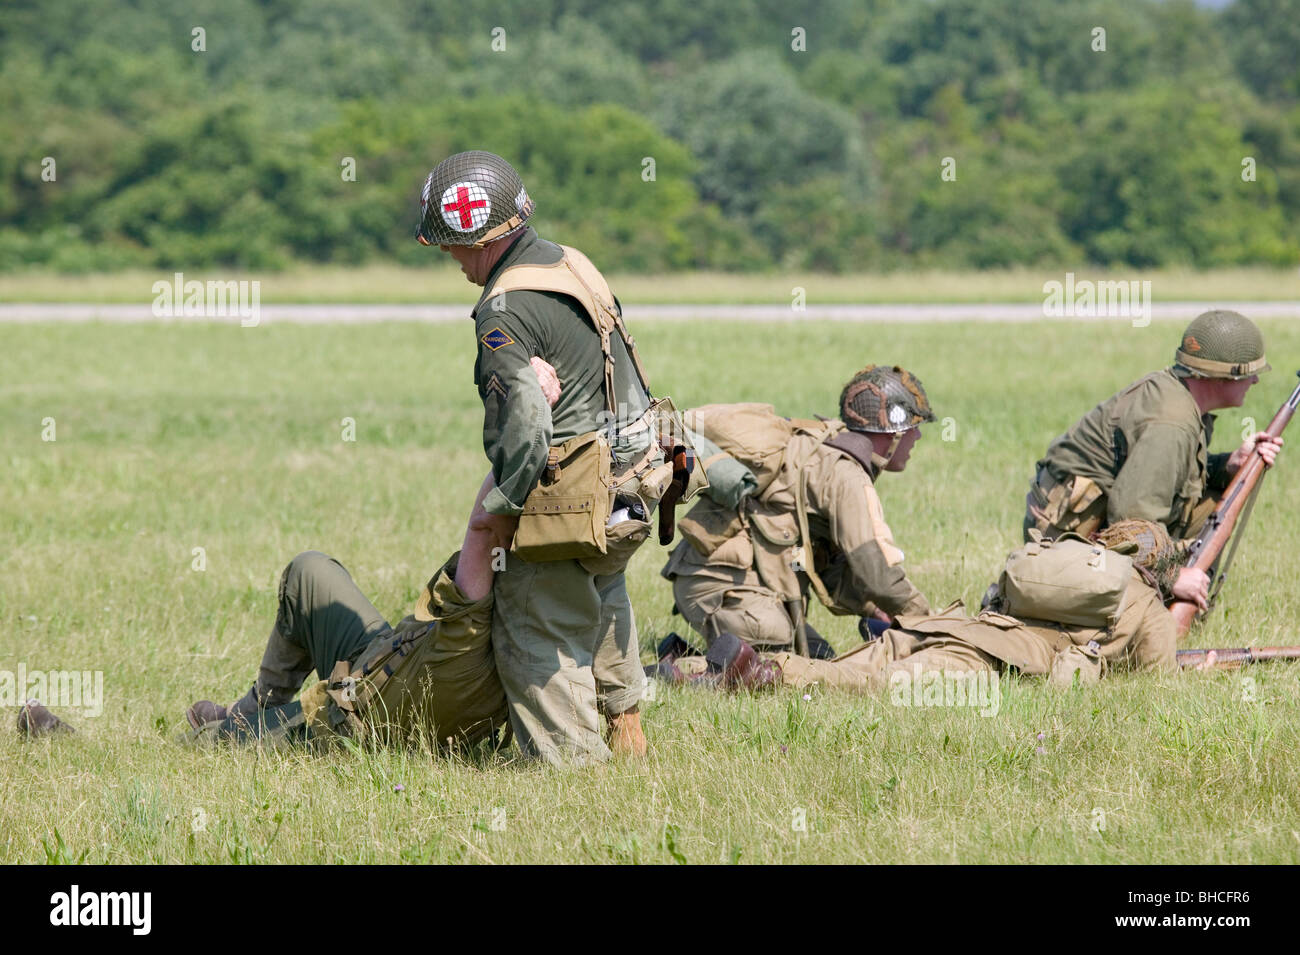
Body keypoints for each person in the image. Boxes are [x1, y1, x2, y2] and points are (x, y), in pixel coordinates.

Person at [416, 150, 677, 766]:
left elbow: (527, 421)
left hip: (578, 492)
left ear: (479, 237)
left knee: (536, 624)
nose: (451, 258)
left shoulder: (501, 308)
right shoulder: (570, 262)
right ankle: (627, 732)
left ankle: (574, 772)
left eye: (452, 245)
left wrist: (502, 508)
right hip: (640, 478)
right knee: (602, 589)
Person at [654, 520, 1192, 694]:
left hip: (952, 627)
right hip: (993, 661)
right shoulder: (1143, 601)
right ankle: (764, 676)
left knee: (851, 666)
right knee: (869, 689)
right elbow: (1156, 686)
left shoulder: (1070, 556)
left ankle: (689, 669)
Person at [661, 365, 934, 661]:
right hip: (720, 583)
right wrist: (926, 620)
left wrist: (872, 607)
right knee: (778, 665)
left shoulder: (828, 451)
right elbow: (874, 566)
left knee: (818, 658)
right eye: (912, 427)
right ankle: (679, 672)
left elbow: (825, 567)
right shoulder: (847, 475)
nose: (917, 436)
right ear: (891, 432)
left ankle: (679, 653)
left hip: (722, 581)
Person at [1024, 310, 1282, 614]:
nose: (1254, 380)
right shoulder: (1171, 423)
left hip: (1084, 527)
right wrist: (1173, 577)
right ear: (1221, 376)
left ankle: (1171, 609)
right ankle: (1160, 611)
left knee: (1218, 508)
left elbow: (1171, 475)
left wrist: (1229, 466)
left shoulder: (1178, 396)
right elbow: (1131, 517)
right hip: (1065, 546)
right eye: (1248, 374)